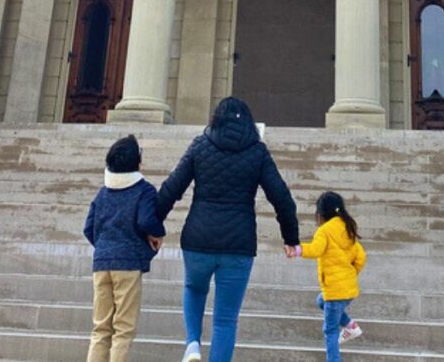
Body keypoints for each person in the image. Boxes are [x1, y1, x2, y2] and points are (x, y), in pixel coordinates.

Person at [157, 97, 299, 362]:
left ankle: (192, 345)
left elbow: (171, 188)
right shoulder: (257, 152)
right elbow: (281, 197)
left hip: (198, 238)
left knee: (194, 288)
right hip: (238, 244)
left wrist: (153, 226)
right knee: (225, 319)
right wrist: (290, 238)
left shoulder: (201, 145)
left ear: (215, 119)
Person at [82, 135, 165, 362]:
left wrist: (105, 247)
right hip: (127, 264)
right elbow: (147, 221)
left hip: (102, 263)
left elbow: (88, 228)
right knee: (123, 330)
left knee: (100, 328)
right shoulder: (144, 190)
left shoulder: (103, 192)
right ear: (137, 163)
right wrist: (157, 235)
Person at [288, 191, 367, 362]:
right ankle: (350, 325)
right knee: (320, 300)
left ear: (321, 214)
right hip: (348, 290)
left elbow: (316, 250)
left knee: (330, 331)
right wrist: (351, 274)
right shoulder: (348, 229)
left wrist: (297, 249)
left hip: (334, 291)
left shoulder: (324, 231)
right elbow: (361, 257)